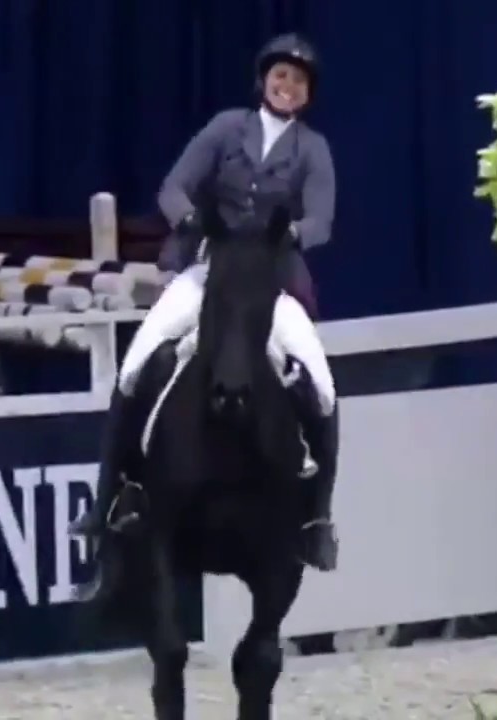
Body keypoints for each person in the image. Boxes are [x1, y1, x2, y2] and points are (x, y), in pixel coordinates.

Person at [73, 33, 340, 575]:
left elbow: (322, 220)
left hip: (269, 281)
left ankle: (316, 518)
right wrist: (192, 220)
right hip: (207, 271)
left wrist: (290, 235)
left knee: (322, 385)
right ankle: (109, 498)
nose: (287, 86)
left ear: (308, 93)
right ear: (264, 80)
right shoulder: (226, 128)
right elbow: (172, 188)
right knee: (135, 365)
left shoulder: (313, 149)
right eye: (280, 76)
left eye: (298, 81)